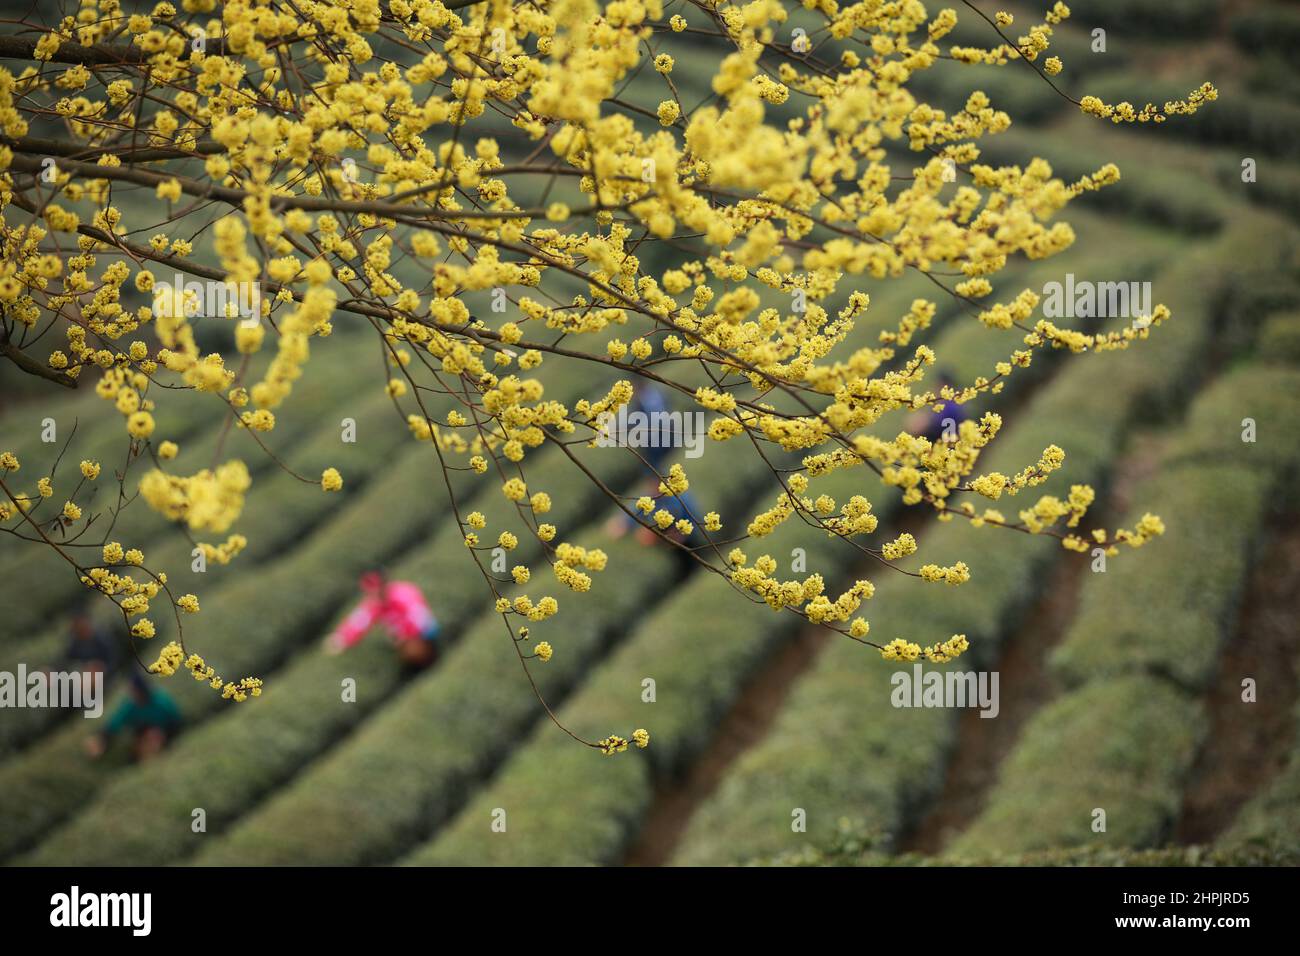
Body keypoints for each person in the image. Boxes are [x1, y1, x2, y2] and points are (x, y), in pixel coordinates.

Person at [603, 385, 702, 557]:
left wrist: (663, 538)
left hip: (688, 545)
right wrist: (622, 524)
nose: (650, 488)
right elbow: (637, 509)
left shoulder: (680, 500)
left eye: (653, 484)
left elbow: (690, 525)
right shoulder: (653, 497)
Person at [324, 571, 441, 669]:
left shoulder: (403, 595)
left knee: (413, 651)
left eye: (376, 591)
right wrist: (341, 638)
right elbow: (359, 621)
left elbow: (421, 618)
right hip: (402, 640)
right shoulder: (374, 603)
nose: (373, 595)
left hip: (422, 635)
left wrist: (407, 636)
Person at [85, 670, 181, 763]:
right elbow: (115, 724)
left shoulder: (161, 701)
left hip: (164, 733)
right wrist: (102, 739)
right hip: (144, 736)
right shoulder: (131, 706)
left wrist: (162, 736)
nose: (132, 694)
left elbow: (176, 721)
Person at [906, 371, 969, 444]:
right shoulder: (940, 403)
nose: (935, 388)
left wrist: (926, 423)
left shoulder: (953, 405)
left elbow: (946, 425)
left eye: (938, 385)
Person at [61, 610, 118, 682]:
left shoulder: (102, 639)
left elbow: (113, 661)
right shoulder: (75, 644)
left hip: (104, 677)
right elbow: (67, 663)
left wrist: (101, 668)